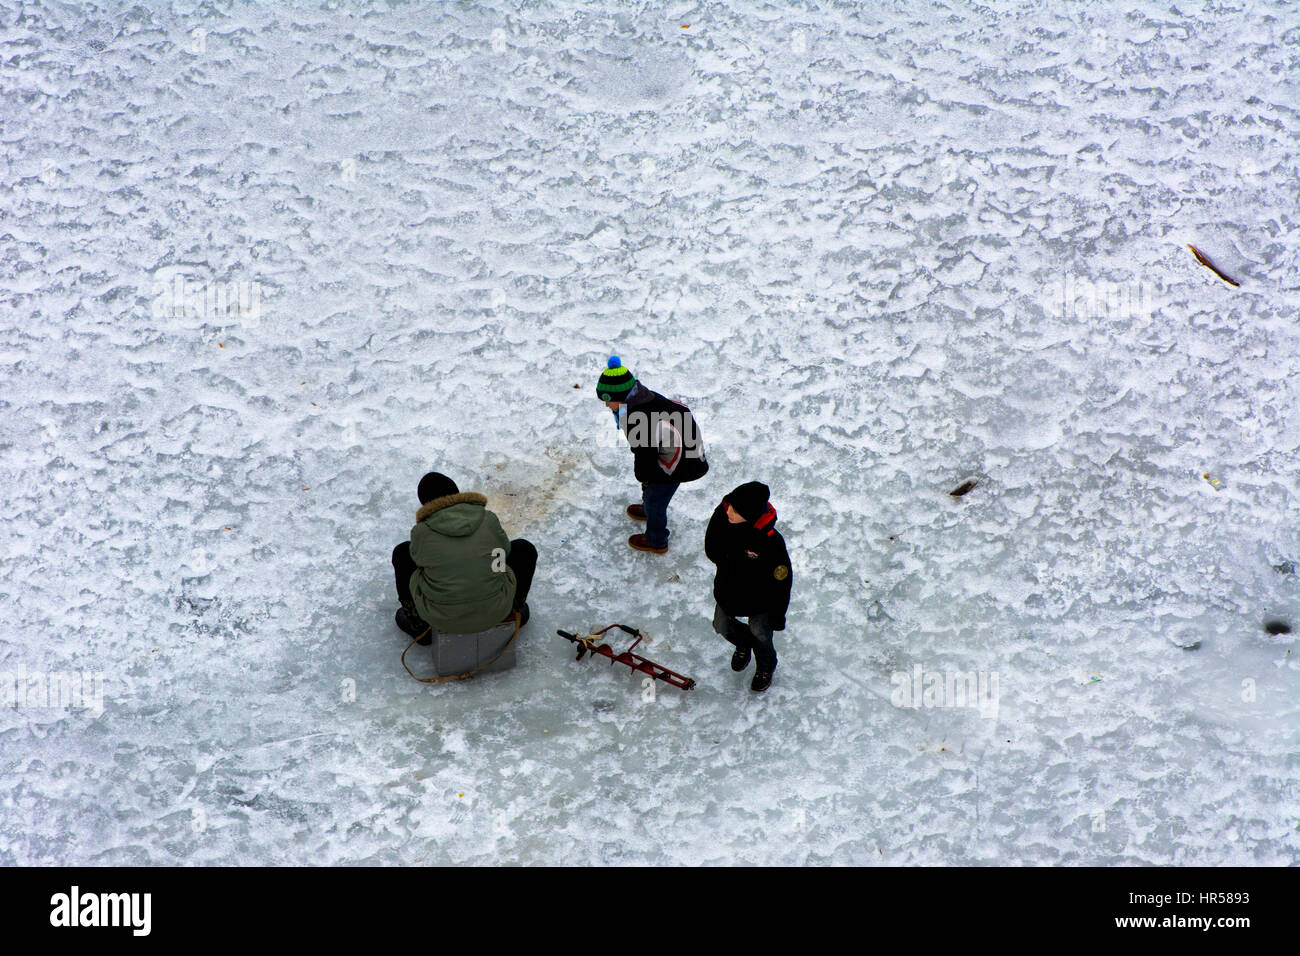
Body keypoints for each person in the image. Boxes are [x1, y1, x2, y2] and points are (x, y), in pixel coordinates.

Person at [391, 472, 536, 643]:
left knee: (402, 553)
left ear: (425, 503)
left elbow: (418, 562)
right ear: (457, 495)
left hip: (440, 619)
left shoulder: (422, 531)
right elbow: (505, 550)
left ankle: (419, 625)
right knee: (523, 549)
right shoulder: (487, 518)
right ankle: (514, 610)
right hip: (497, 611)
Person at [596, 355, 708, 553]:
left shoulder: (639, 419)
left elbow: (644, 455)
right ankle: (647, 507)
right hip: (673, 451)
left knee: (657, 501)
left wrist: (644, 476)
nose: (606, 405)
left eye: (607, 400)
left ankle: (657, 541)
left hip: (680, 464)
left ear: (621, 397)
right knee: (651, 490)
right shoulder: (640, 398)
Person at [704, 481, 792, 692]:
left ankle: (766, 664)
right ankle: (744, 643)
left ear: (750, 516)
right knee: (721, 626)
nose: (729, 512)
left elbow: (782, 580)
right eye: (731, 506)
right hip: (728, 591)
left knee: (761, 634)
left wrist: (778, 616)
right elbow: (712, 548)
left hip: (759, 601)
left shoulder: (771, 542)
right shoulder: (724, 517)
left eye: (736, 510)